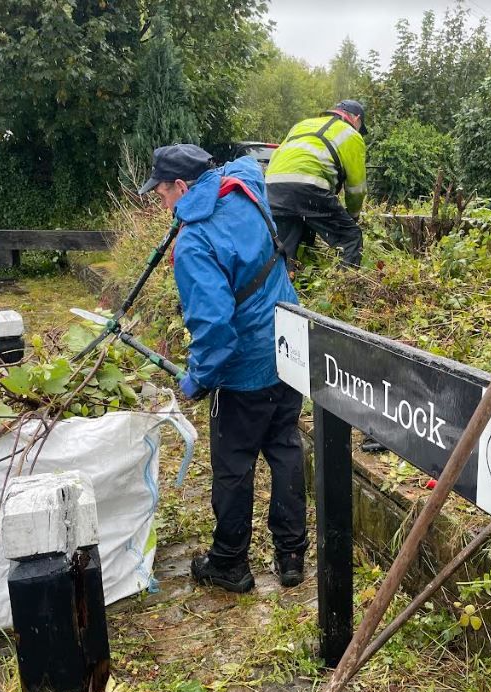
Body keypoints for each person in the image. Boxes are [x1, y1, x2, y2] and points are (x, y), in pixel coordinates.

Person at [138, 144, 307, 593]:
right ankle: (291, 557)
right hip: (290, 348)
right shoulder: (246, 189)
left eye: (162, 191)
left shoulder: (195, 243)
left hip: (243, 372)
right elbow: (246, 163)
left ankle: (230, 563)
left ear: (182, 186)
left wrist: (198, 380)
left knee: (234, 467)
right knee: (286, 448)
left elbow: (215, 329)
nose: (161, 200)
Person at [265, 99, 368, 270]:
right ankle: (344, 290)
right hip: (307, 186)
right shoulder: (351, 134)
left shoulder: (301, 125)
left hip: (273, 187)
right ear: (356, 119)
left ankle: (288, 288)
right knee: (350, 237)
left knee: (287, 249)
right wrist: (352, 217)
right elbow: (356, 188)